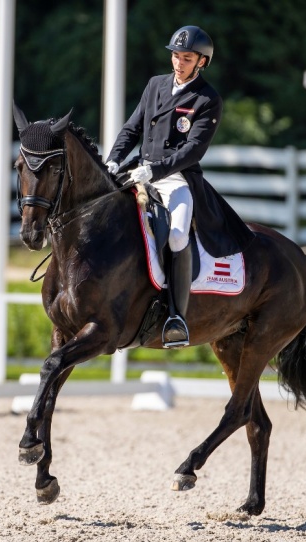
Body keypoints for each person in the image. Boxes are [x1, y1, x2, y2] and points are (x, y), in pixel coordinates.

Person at [105, 25, 254, 348]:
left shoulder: (207, 99)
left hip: (177, 179)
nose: (178, 63)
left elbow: (193, 151)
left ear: (201, 61)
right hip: (139, 174)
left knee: (176, 234)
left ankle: (175, 316)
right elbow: (132, 128)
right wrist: (114, 160)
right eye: (175, 56)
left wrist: (154, 169)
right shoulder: (155, 85)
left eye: (186, 58)